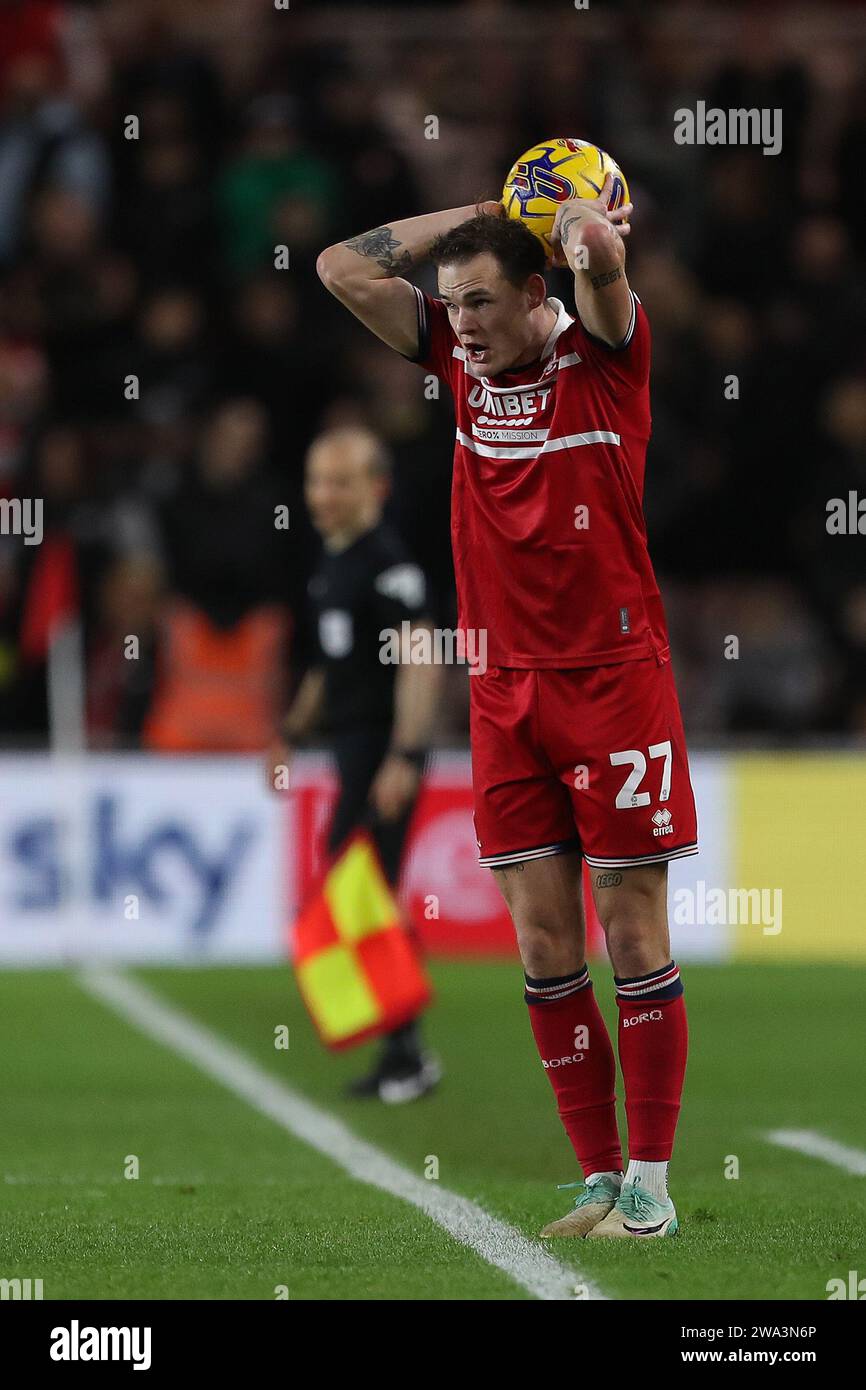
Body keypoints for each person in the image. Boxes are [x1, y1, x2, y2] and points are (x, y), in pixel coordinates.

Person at [315, 177, 698, 1237]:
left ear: (538, 295)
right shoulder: (453, 358)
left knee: (629, 927)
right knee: (540, 941)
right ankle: (596, 1176)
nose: (464, 326)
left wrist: (577, 227)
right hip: (501, 686)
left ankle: (652, 1188)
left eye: (482, 302)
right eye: (453, 305)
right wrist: (478, 213)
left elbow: (606, 275)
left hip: (613, 682)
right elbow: (340, 266)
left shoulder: (605, 358)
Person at [278, 425, 442, 1103]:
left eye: (340, 481)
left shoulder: (387, 566)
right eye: (317, 480)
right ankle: (399, 1051)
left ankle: (407, 1055)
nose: (324, 494)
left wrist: (405, 755)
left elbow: (422, 656)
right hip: (352, 752)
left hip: (380, 752)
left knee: (365, 896)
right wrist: (289, 733)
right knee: (361, 895)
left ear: (377, 487)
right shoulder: (333, 565)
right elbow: (327, 665)